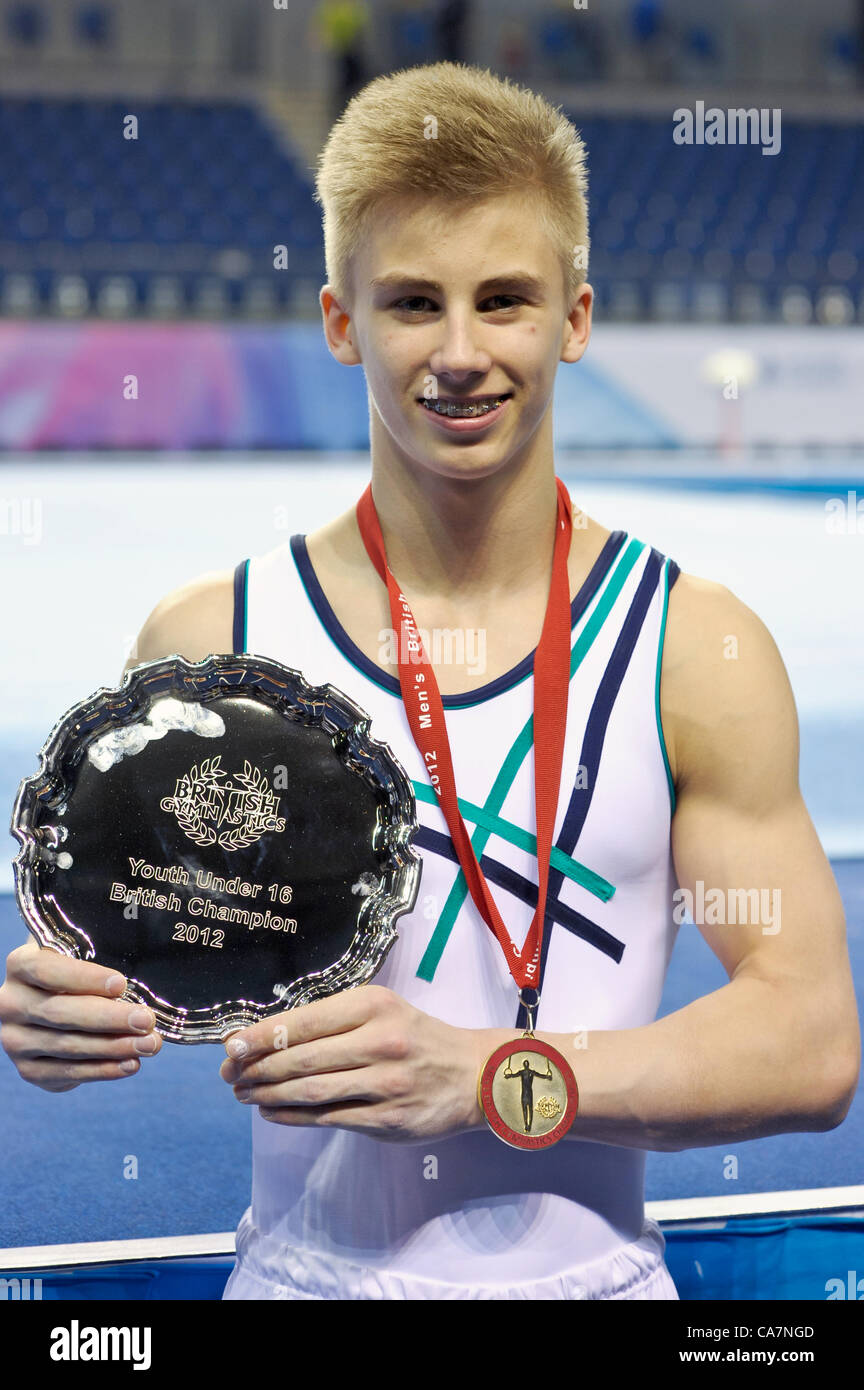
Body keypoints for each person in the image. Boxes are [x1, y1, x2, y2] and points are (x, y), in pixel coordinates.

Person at [0, 62, 859, 1302]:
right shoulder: (218, 643)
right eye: (412, 303)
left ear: (574, 317)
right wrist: (61, 1018)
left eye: (503, 299)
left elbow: (814, 1039)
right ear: (343, 321)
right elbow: (132, 948)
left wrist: (499, 1076)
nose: (460, 354)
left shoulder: (688, 647)